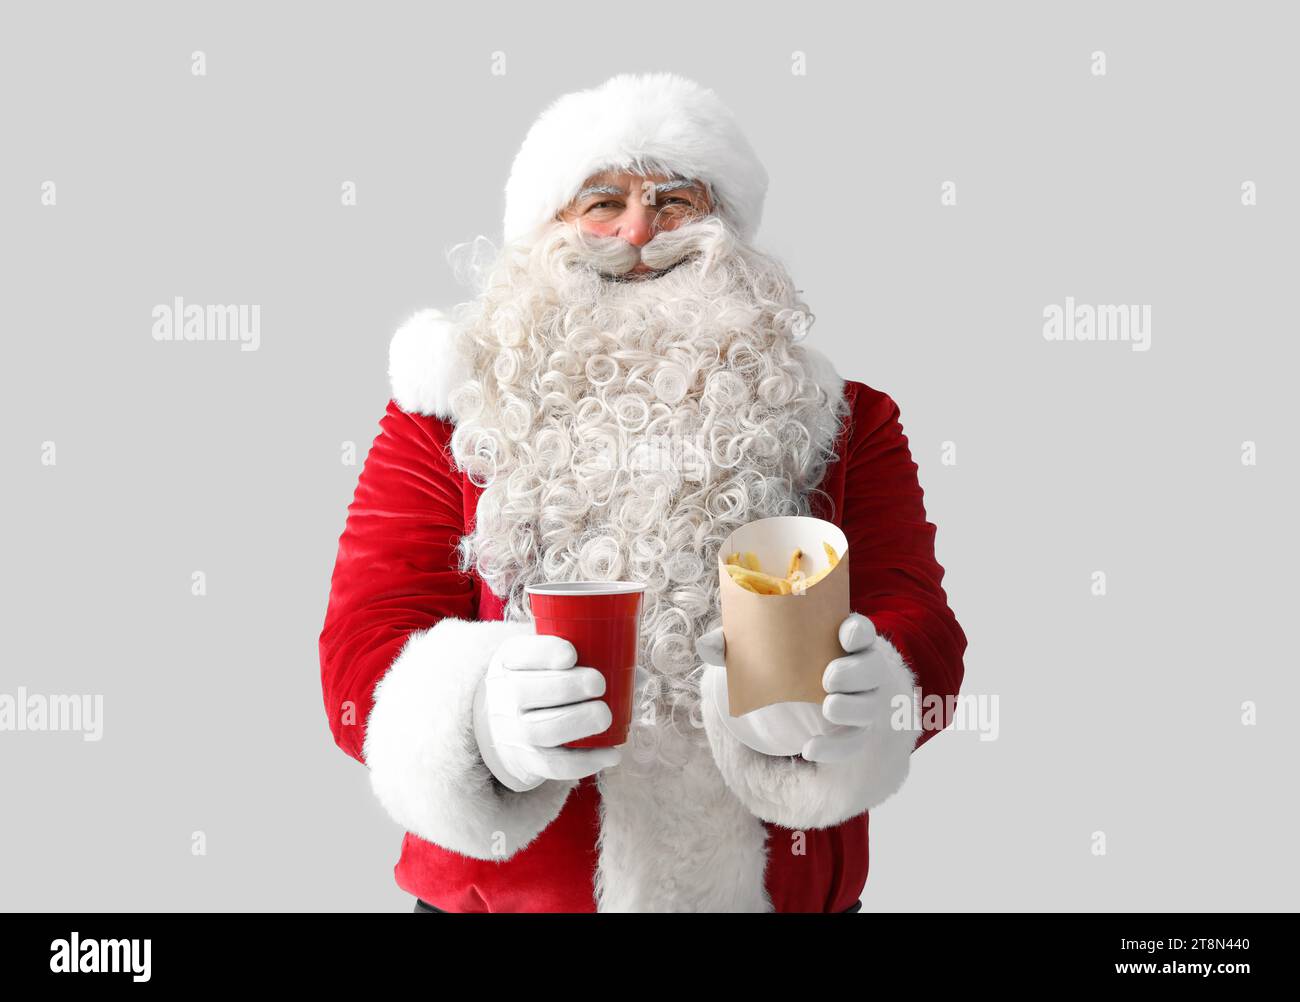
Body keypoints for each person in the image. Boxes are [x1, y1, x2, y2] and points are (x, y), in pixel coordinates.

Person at [318, 72, 967, 912]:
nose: (636, 235)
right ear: (547, 228)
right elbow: (360, 648)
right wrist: (481, 725)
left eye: (674, 203)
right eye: (601, 202)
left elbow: (919, 623)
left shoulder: (847, 421)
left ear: (725, 229)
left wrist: (861, 699)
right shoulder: (446, 422)